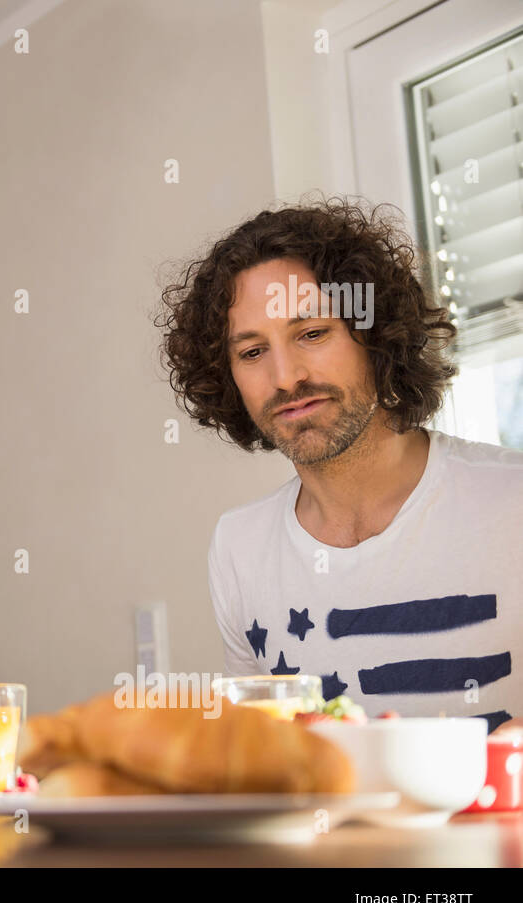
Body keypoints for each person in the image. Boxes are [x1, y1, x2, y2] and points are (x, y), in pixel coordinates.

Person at [158, 198, 522, 732]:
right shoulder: (239, 548)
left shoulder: (510, 502)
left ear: (375, 339)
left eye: (311, 333)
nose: (286, 378)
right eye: (253, 352)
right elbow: (267, 759)